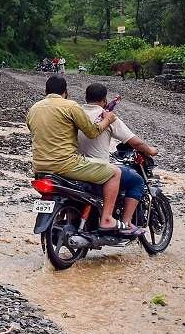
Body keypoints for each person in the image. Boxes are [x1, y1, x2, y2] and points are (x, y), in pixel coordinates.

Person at [26, 75, 140, 237]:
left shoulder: (34, 109)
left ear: (46, 91)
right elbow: (92, 132)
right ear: (66, 92)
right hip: (66, 165)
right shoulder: (70, 106)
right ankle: (107, 218)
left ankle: (66, 218)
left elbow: (34, 131)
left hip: (40, 168)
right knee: (115, 172)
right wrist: (107, 120)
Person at [78, 83, 159, 231]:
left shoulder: (76, 113)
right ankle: (126, 223)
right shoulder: (107, 116)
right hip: (97, 170)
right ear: (104, 100)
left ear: (86, 97)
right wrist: (150, 150)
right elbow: (136, 142)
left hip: (76, 166)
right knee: (136, 180)